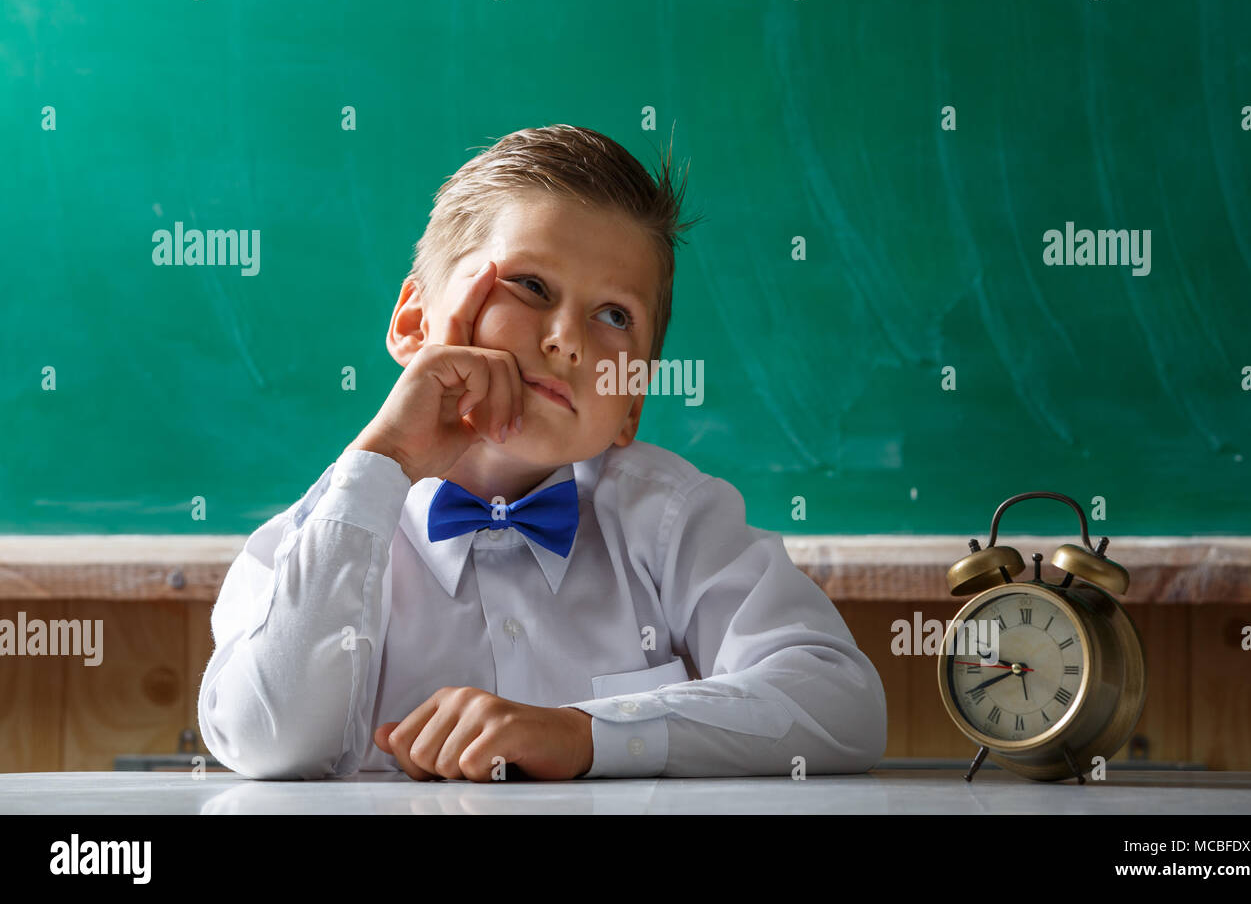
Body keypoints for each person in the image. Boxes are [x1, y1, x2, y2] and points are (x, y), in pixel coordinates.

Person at [197, 124, 887, 781]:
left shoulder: (673, 518)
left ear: (632, 403)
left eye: (615, 316)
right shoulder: (309, 544)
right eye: (530, 287)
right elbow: (267, 741)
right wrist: (385, 456)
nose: (569, 340)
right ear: (414, 326)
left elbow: (842, 703)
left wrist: (589, 733)